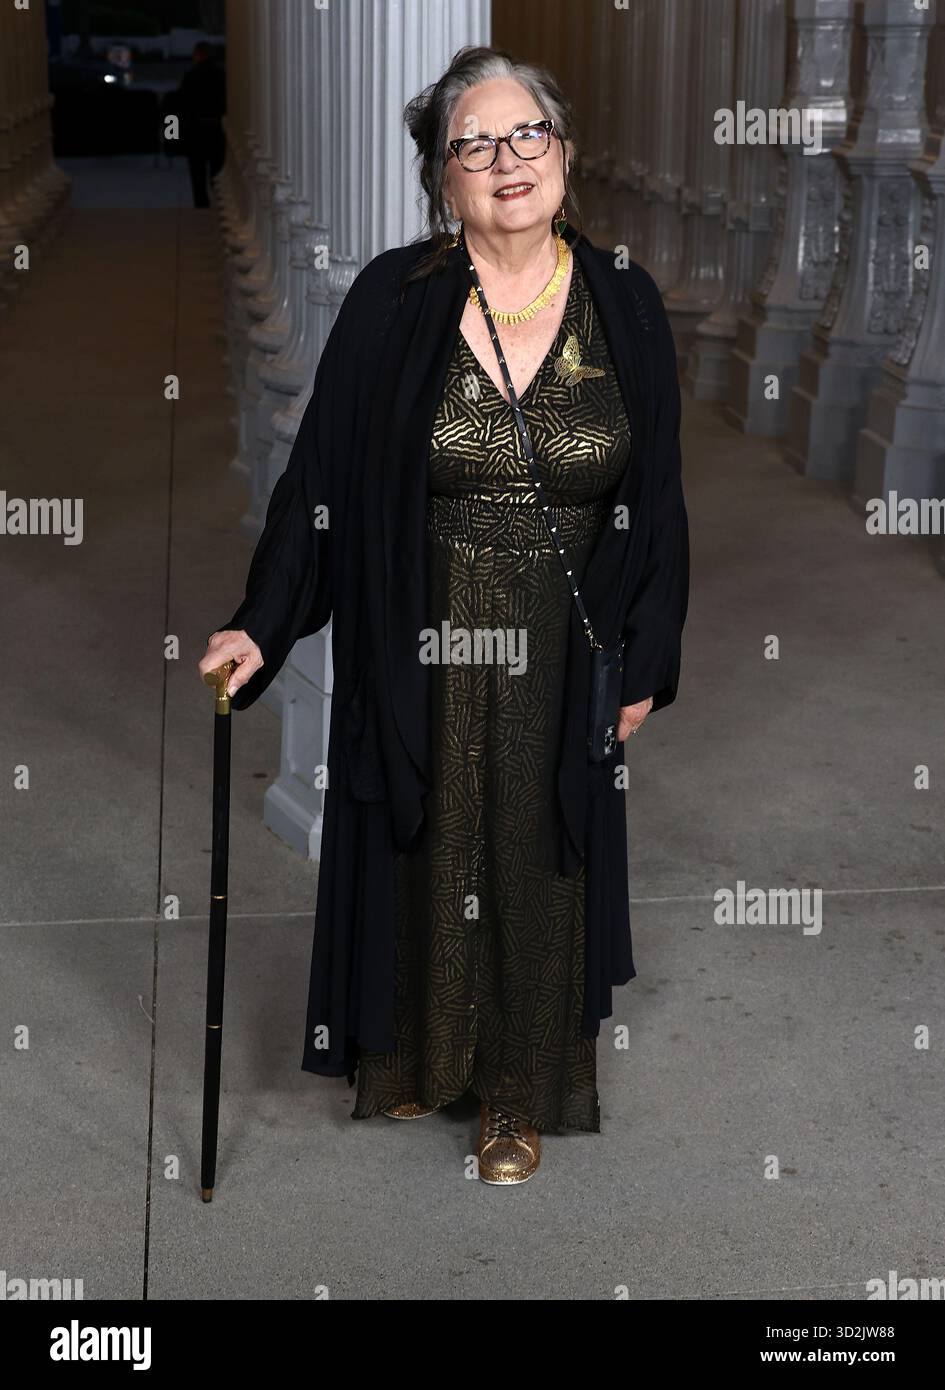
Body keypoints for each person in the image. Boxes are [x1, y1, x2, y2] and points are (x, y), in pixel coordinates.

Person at [198, 46, 689, 1186]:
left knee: (534, 850)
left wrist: (643, 660)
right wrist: (261, 626)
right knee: (429, 835)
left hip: (566, 642)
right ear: (443, 180)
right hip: (423, 624)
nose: (507, 161)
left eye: (528, 136)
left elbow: (656, 500)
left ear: (563, 154)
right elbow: (319, 483)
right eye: (476, 144)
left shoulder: (625, 299)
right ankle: (423, 1050)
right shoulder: (394, 298)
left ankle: (516, 1090)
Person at [175, 41, 226, 208]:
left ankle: (201, 204)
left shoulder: (191, 76)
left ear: (197, 55)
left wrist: (173, 134)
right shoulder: (221, 75)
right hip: (216, 129)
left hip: (195, 131)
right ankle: (219, 201)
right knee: (217, 170)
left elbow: (180, 105)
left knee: (197, 173)